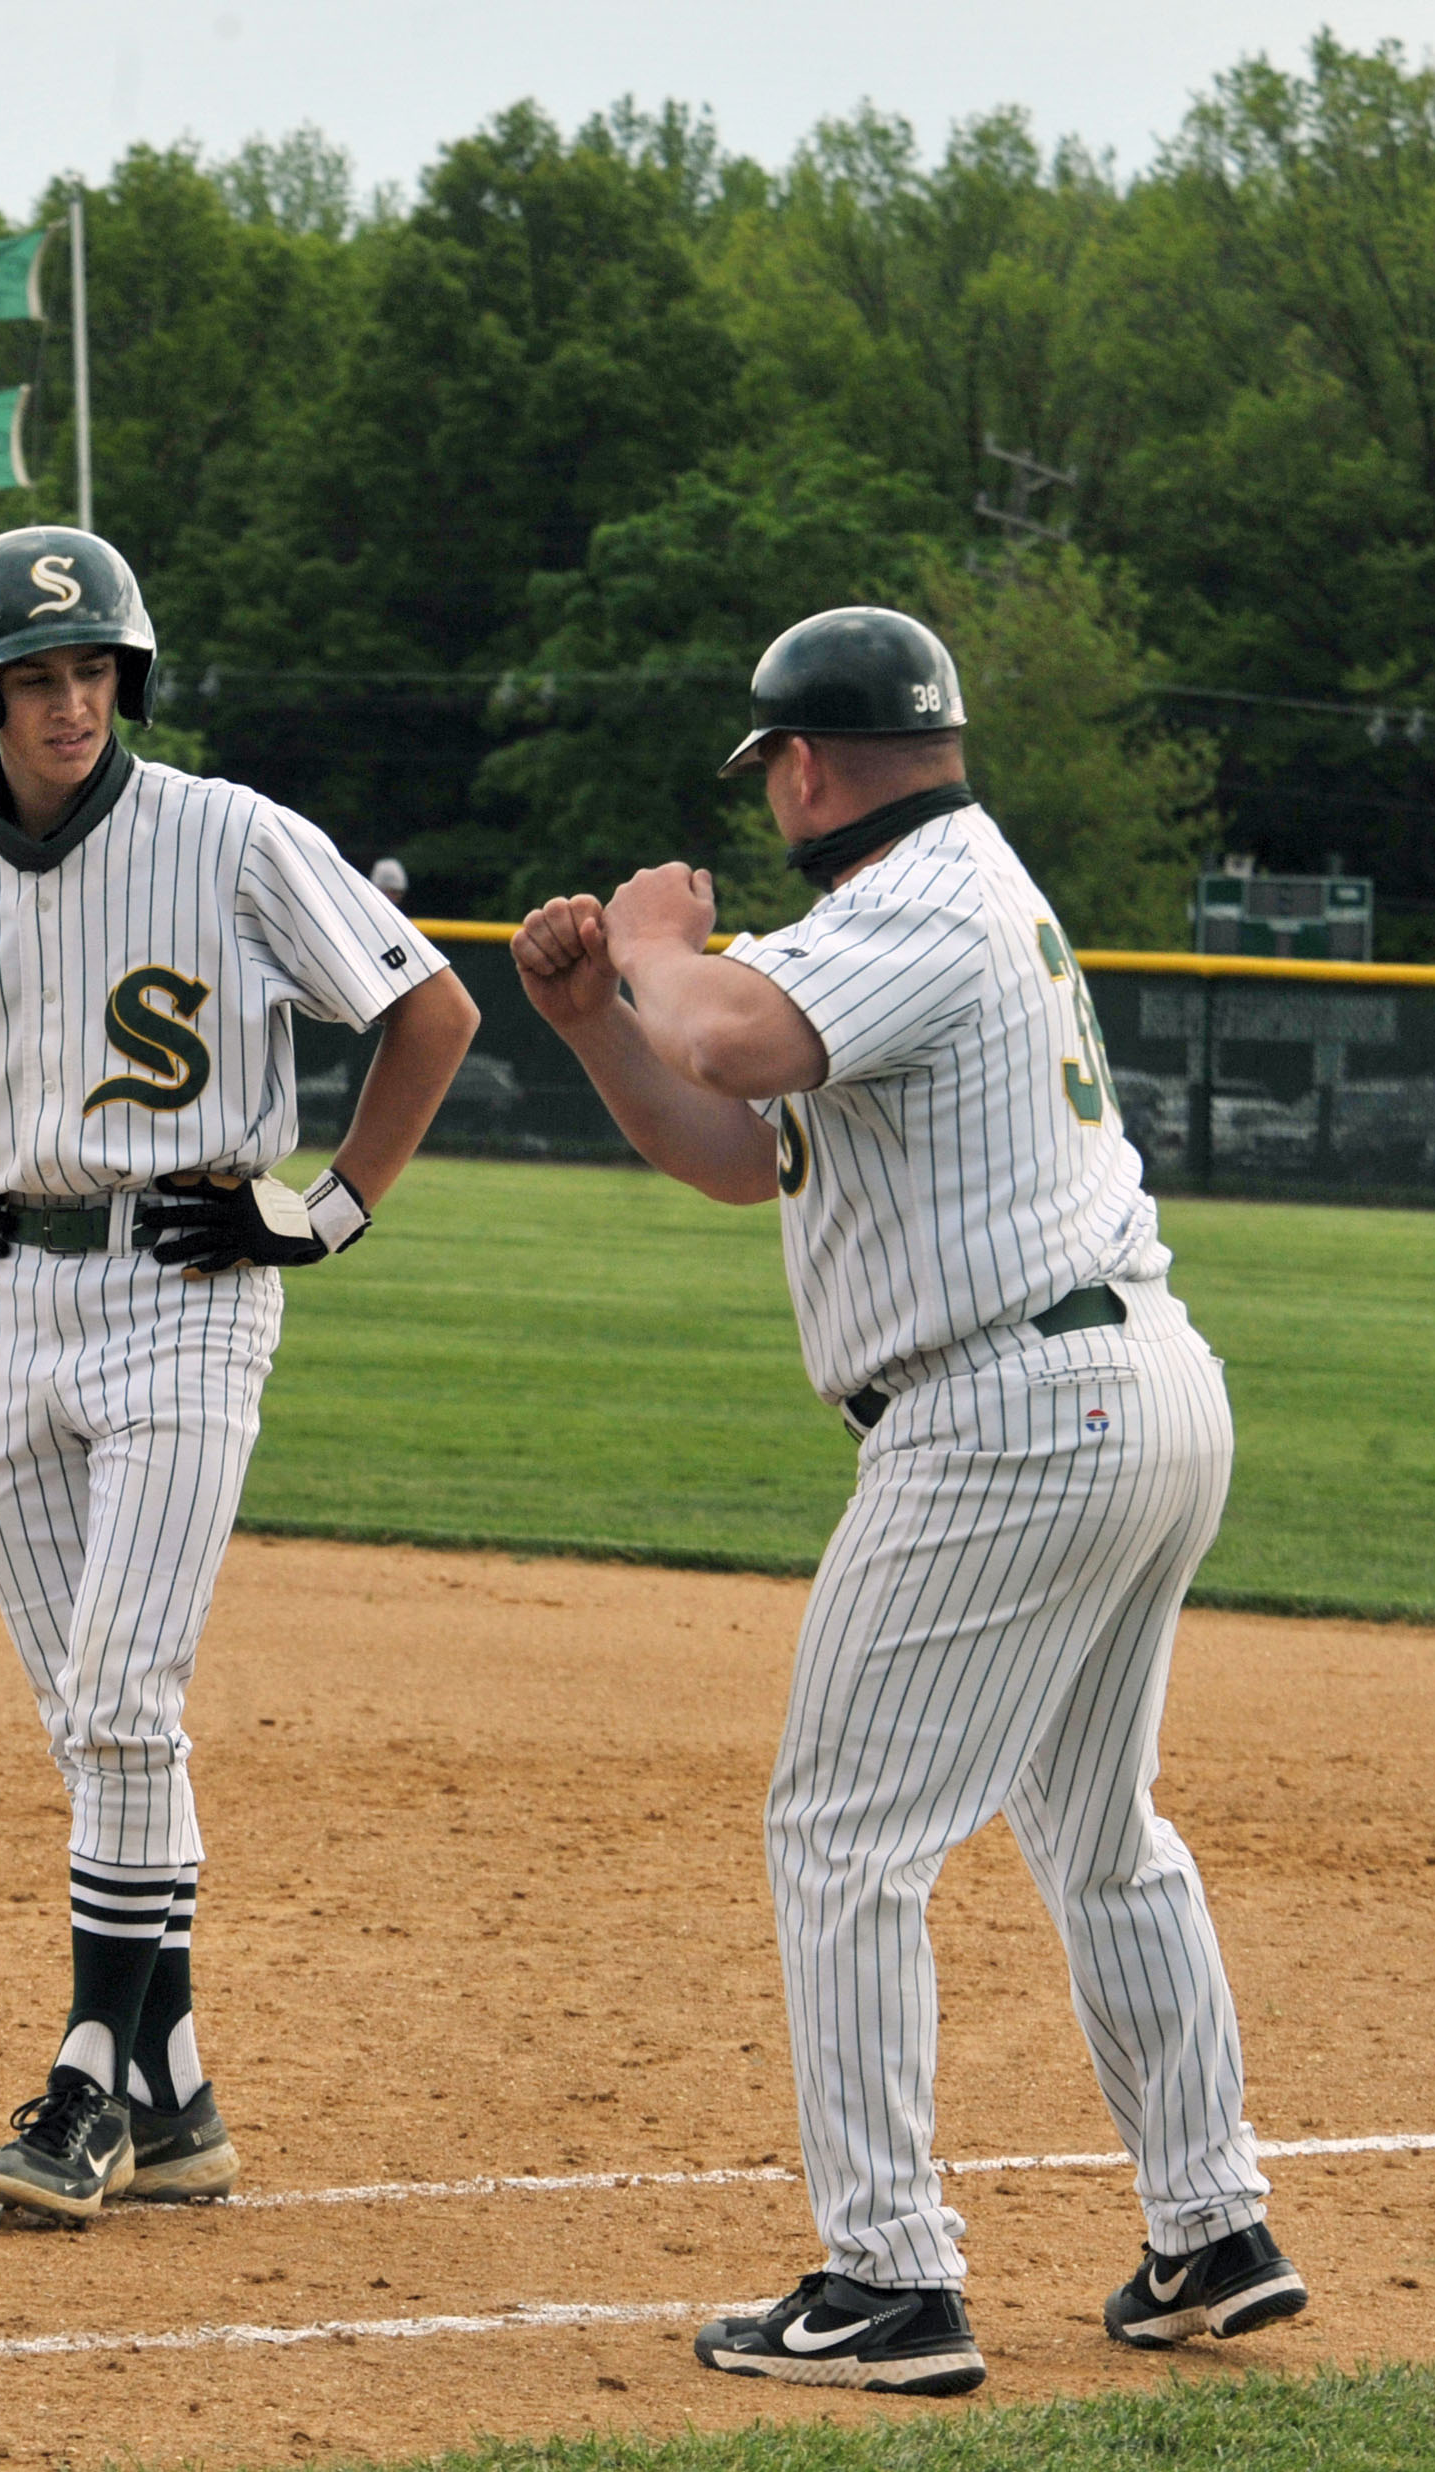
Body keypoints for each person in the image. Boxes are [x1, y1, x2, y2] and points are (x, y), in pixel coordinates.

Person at [511, 606, 1305, 2395]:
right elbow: (734, 1149)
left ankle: (889, 2280)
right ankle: (1212, 2228)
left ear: (800, 764)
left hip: (1005, 1415)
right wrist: (594, 1024)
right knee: (1101, 1831)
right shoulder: (940, 903)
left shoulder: (918, 906)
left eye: (770, 768)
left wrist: (647, 939)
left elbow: (720, 1036)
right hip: (1129, 1389)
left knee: (841, 1836)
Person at [0, 526, 479, 2221]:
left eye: (94, 670)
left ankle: (88, 2091)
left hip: (188, 1290)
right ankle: (177, 2102)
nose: (71, 703)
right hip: (4, 1296)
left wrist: (332, 1210)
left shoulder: (232, 837)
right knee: (90, 1723)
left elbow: (432, 1010)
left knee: (121, 1697)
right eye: (37, 678)